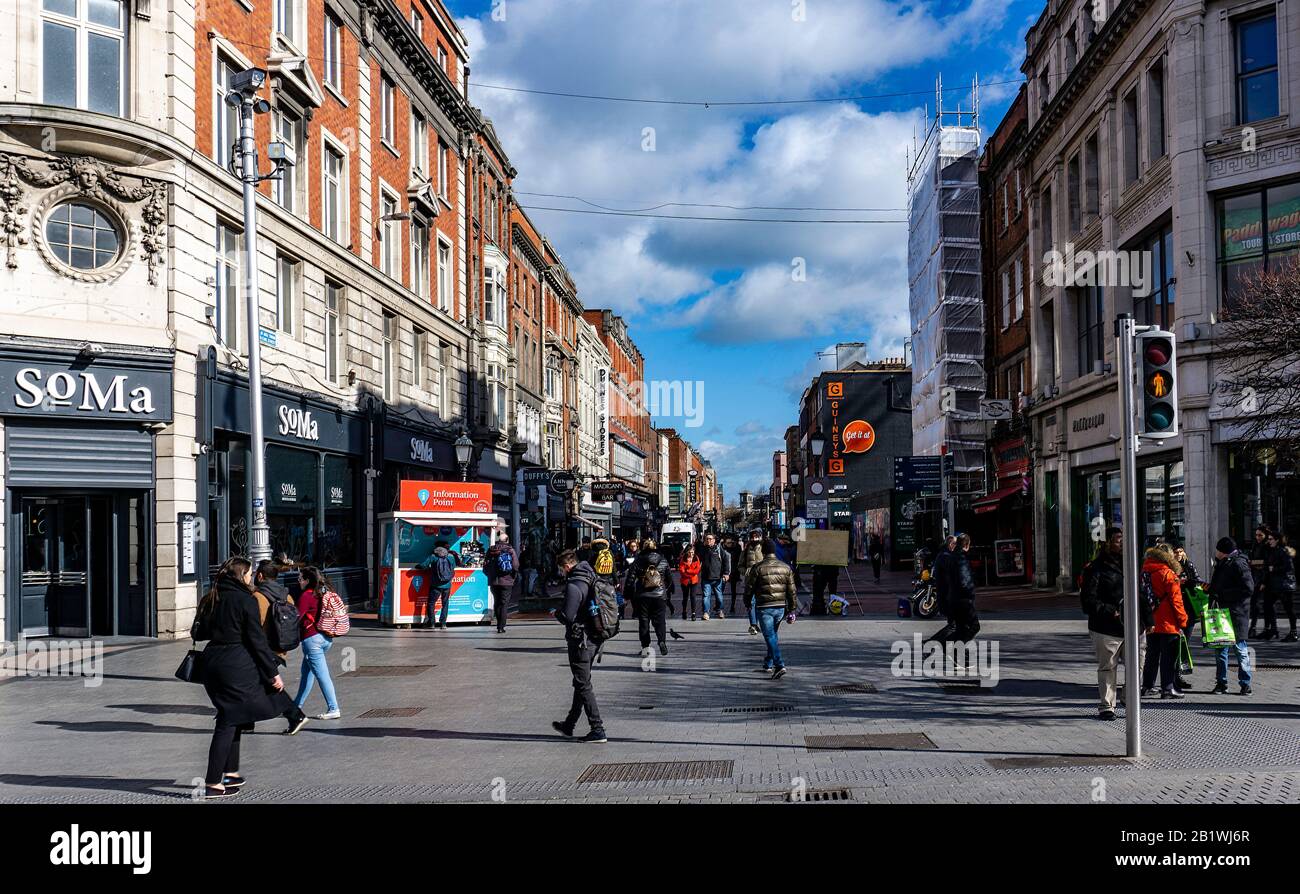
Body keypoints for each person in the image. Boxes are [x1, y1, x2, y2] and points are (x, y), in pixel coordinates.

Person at [193, 557, 300, 798]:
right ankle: (212, 783)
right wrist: (273, 673)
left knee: (235, 715)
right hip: (236, 665)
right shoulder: (246, 600)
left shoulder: (211, 597)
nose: (252, 577)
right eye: (250, 574)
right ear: (241, 575)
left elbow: (198, 632)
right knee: (228, 720)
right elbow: (256, 640)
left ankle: (231, 772)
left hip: (212, 663)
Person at [1081, 527, 1150, 720]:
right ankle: (1107, 706)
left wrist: (1149, 619)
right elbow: (1088, 601)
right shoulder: (1095, 569)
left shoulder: (1133, 565)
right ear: (1108, 543)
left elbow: (1141, 594)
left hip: (1135, 626)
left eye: (1124, 539)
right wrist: (1111, 611)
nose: (1122, 543)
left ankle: (1129, 697)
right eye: (1118, 540)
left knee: (1137, 664)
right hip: (1107, 628)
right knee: (1108, 667)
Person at [551, 549, 607, 743]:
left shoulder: (574, 585)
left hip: (580, 639)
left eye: (561, 568)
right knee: (581, 680)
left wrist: (556, 613)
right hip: (593, 637)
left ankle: (597, 728)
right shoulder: (591, 575)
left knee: (583, 684)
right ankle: (570, 723)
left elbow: (568, 615)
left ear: (567, 566)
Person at [252, 559, 310, 735]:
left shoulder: (258, 596)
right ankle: (246, 721)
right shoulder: (287, 595)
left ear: (260, 576)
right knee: (257, 682)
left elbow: (255, 625)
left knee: (266, 683)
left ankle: (295, 715)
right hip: (281, 647)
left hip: (264, 649)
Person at [1139, 544, 1189, 699]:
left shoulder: (1144, 572)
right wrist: (1183, 621)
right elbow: (1177, 601)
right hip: (1168, 622)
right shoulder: (1168, 574)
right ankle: (1167, 688)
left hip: (1150, 621)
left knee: (1151, 656)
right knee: (1168, 658)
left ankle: (1147, 686)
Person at [1207, 537, 1255, 695]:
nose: (1216, 552)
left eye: (1218, 550)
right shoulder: (1223, 563)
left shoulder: (1238, 563)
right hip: (1222, 612)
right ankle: (1221, 683)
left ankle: (1245, 683)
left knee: (1240, 650)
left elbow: (1248, 589)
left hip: (1236, 613)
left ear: (1224, 551)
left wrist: (1222, 594)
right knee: (1220, 650)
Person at [293, 566, 341, 720]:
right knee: (306, 673)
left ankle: (333, 708)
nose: (298, 581)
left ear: (307, 580)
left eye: (300, 578)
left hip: (312, 640)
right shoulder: (324, 592)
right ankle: (295, 706)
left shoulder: (306, 596)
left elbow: (295, 618)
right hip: (326, 638)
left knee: (322, 675)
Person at [745, 539, 798, 679]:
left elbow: (749, 588)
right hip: (780, 606)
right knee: (772, 634)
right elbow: (792, 590)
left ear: (763, 551)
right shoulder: (785, 568)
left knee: (769, 636)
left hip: (764, 606)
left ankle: (779, 665)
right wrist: (792, 609)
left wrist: (747, 601)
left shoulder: (758, 568)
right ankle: (768, 663)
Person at [624, 537, 673, 656]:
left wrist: (628, 594)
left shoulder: (638, 560)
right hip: (659, 595)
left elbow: (630, 579)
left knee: (644, 621)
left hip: (642, 596)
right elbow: (669, 579)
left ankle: (645, 647)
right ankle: (661, 641)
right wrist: (666, 592)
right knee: (660, 621)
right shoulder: (662, 560)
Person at [1259, 528, 1298, 642]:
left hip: (1284, 585)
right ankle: (1273, 629)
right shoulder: (1272, 551)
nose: (1269, 541)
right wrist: (1264, 582)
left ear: (1277, 540)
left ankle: (1293, 632)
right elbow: (1267, 568)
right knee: (1267, 606)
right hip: (1274, 585)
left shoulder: (1283, 551)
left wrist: (1274, 569)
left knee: (1288, 609)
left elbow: (1289, 567)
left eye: (1271, 539)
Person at [1171, 540, 1200, 680]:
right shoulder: (1169, 566)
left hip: (1188, 609)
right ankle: (1174, 675)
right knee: (1174, 643)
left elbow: (1197, 581)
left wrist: (1187, 582)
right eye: (1176, 552)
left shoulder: (1189, 565)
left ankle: (1179, 675)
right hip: (1174, 609)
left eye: (1181, 551)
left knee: (1184, 643)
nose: (1179, 554)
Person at [948, 534, 981, 643]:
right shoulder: (961, 558)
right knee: (974, 626)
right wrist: (970, 595)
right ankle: (953, 649)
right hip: (963, 599)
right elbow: (964, 581)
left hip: (953, 597)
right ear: (966, 545)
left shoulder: (952, 556)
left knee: (961, 629)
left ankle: (939, 647)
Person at [926, 536, 959, 642]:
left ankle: (958, 648)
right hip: (948, 597)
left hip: (947, 596)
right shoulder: (946, 557)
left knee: (955, 624)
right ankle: (930, 643)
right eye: (955, 544)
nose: (956, 546)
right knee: (955, 625)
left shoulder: (943, 555)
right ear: (950, 544)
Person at [486, 531, 519, 634]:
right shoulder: (510, 550)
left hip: (494, 581)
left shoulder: (491, 550)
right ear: (507, 540)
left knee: (497, 602)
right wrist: (513, 576)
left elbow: (485, 565)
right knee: (504, 603)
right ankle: (501, 626)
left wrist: (490, 575)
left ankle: (498, 624)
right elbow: (515, 565)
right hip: (507, 581)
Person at [422, 540, 459, 629]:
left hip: (435, 585)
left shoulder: (433, 556)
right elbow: (453, 567)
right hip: (447, 585)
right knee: (445, 603)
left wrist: (419, 566)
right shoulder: (450, 557)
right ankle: (443, 623)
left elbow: (424, 565)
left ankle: (432, 623)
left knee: (431, 603)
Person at [698, 532, 731, 620]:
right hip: (706, 577)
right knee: (706, 596)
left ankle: (720, 610)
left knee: (719, 596)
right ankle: (706, 613)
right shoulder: (702, 549)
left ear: (714, 540)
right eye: (707, 539)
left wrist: (726, 573)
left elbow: (725, 560)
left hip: (717, 577)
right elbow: (697, 561)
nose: (708, 541)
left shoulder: (719, 549)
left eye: (710, 539)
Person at [738, 530, 765, 635]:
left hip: (762, 579)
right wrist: (745, 571)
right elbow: (740, 565)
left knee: (761, 603)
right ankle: (753, 625)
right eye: (752, 537)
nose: (754, 539)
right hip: (749, 580)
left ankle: (760, 624)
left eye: (756, 537)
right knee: (751, 602)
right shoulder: (746, 549)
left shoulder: (764, 547)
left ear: (760, 537)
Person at [1248, 525, 1270, 638]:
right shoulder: (1255, 545)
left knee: (1266, 604)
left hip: (1264, 579)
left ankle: (1268, 628)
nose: (1258, 537)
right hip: (1255, 578)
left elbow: (1266, 563)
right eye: (1256, 535)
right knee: (1254, 604)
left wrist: (1253, 562)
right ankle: (1253, 627)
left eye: (1260, 535)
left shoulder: (1267, 546)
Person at [677, 544, 701, 621]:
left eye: (692, 552)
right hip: (685, 581)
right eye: (690, 552)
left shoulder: (696, 558)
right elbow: (681, 571)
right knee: (685, 597)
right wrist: (690, 573)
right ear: (687, 552)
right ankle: (684, 611)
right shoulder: (683, 559)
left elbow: (697, 570)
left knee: (693, 597)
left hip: (694, 581)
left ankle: (693, 613)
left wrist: (689, 571)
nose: (691, 554)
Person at [724, 535, 744, 613]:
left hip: (734, 572)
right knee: (720, 590)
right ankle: (718, 606)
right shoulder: (723, 548)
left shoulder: (737, 548)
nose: (729, 544)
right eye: (727, 543)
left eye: (730, 542)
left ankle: (732, 605)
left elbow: (739, 559)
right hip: (724, 572)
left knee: (733, 590)